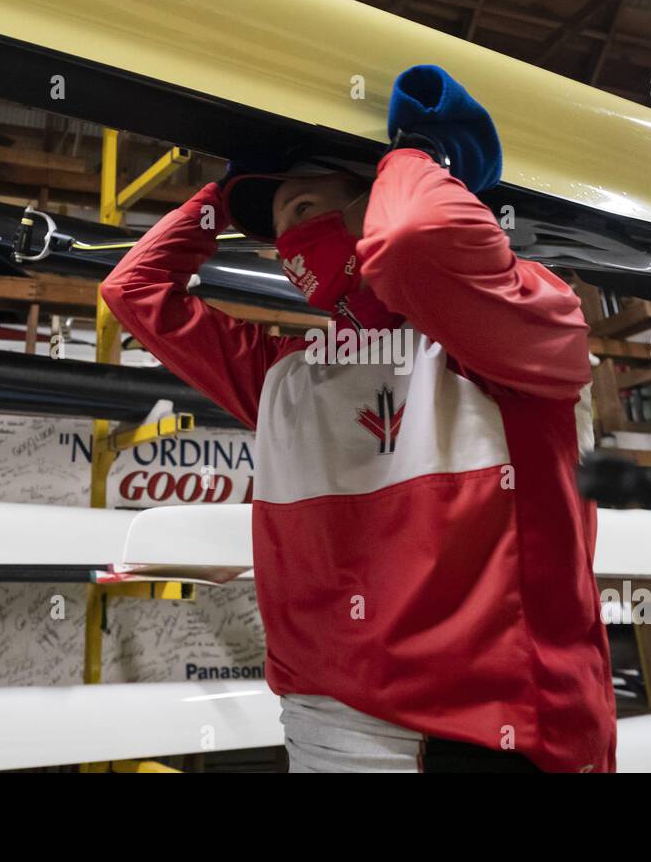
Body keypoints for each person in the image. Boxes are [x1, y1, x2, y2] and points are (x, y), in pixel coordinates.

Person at [101, 66, 615, 772]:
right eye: (278, 237)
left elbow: (411, 241)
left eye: (305, 209)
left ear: (375, 198)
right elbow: (134, 289)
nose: (291, 253)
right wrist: (219, 200)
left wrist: (420, 153)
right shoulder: (287, 375)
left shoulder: (518, 333)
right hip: (326, 734)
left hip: (493, 738)